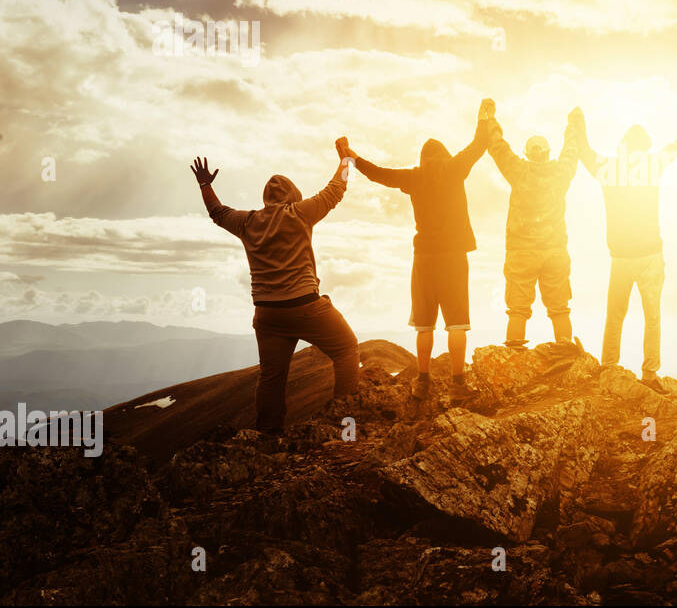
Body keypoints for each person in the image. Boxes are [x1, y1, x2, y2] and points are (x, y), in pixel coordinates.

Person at [191, 142, 358, 434]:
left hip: (267, 315)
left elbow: (217, 212)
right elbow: (336, 189)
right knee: (346, 348)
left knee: (271, 378)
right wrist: (346, 160)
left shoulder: (247, 222)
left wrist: (205, 184)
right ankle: (345, 425)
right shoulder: (300, 212)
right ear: (293, 194)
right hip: (306, 307)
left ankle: (267, 437)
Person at [338, 100, 494, 400]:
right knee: (457, 323)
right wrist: (484, 119)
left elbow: (378, 174)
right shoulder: (454, 168)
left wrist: (351, 157)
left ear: (423, 159)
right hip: (453, 256)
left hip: (423, 258)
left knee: (424, 325)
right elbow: (479, 145)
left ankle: (422, 383)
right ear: (445, 155)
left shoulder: (414, 176)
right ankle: (458, 385)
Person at [574, 96, 677, 380]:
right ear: (646, 147)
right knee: (652, 316)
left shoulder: (609, 167)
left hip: (620, 257)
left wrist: (579, 123)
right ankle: (649, 373)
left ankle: (609, 366)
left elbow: (584, 151)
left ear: (623, 146)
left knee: (615, 314)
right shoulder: (653, 164)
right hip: (650, 255)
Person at [482, 106, 584, 347]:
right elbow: (571, 150)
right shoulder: (560, 172)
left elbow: (498, 147)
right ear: (548, 153)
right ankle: (565, 353)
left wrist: (489, 118)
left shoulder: (518, 170)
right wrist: (573, 125)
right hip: (555, 251)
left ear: (527, 154)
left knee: (517, 310)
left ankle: (516, 356)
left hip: (521, 252)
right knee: (560, 309)